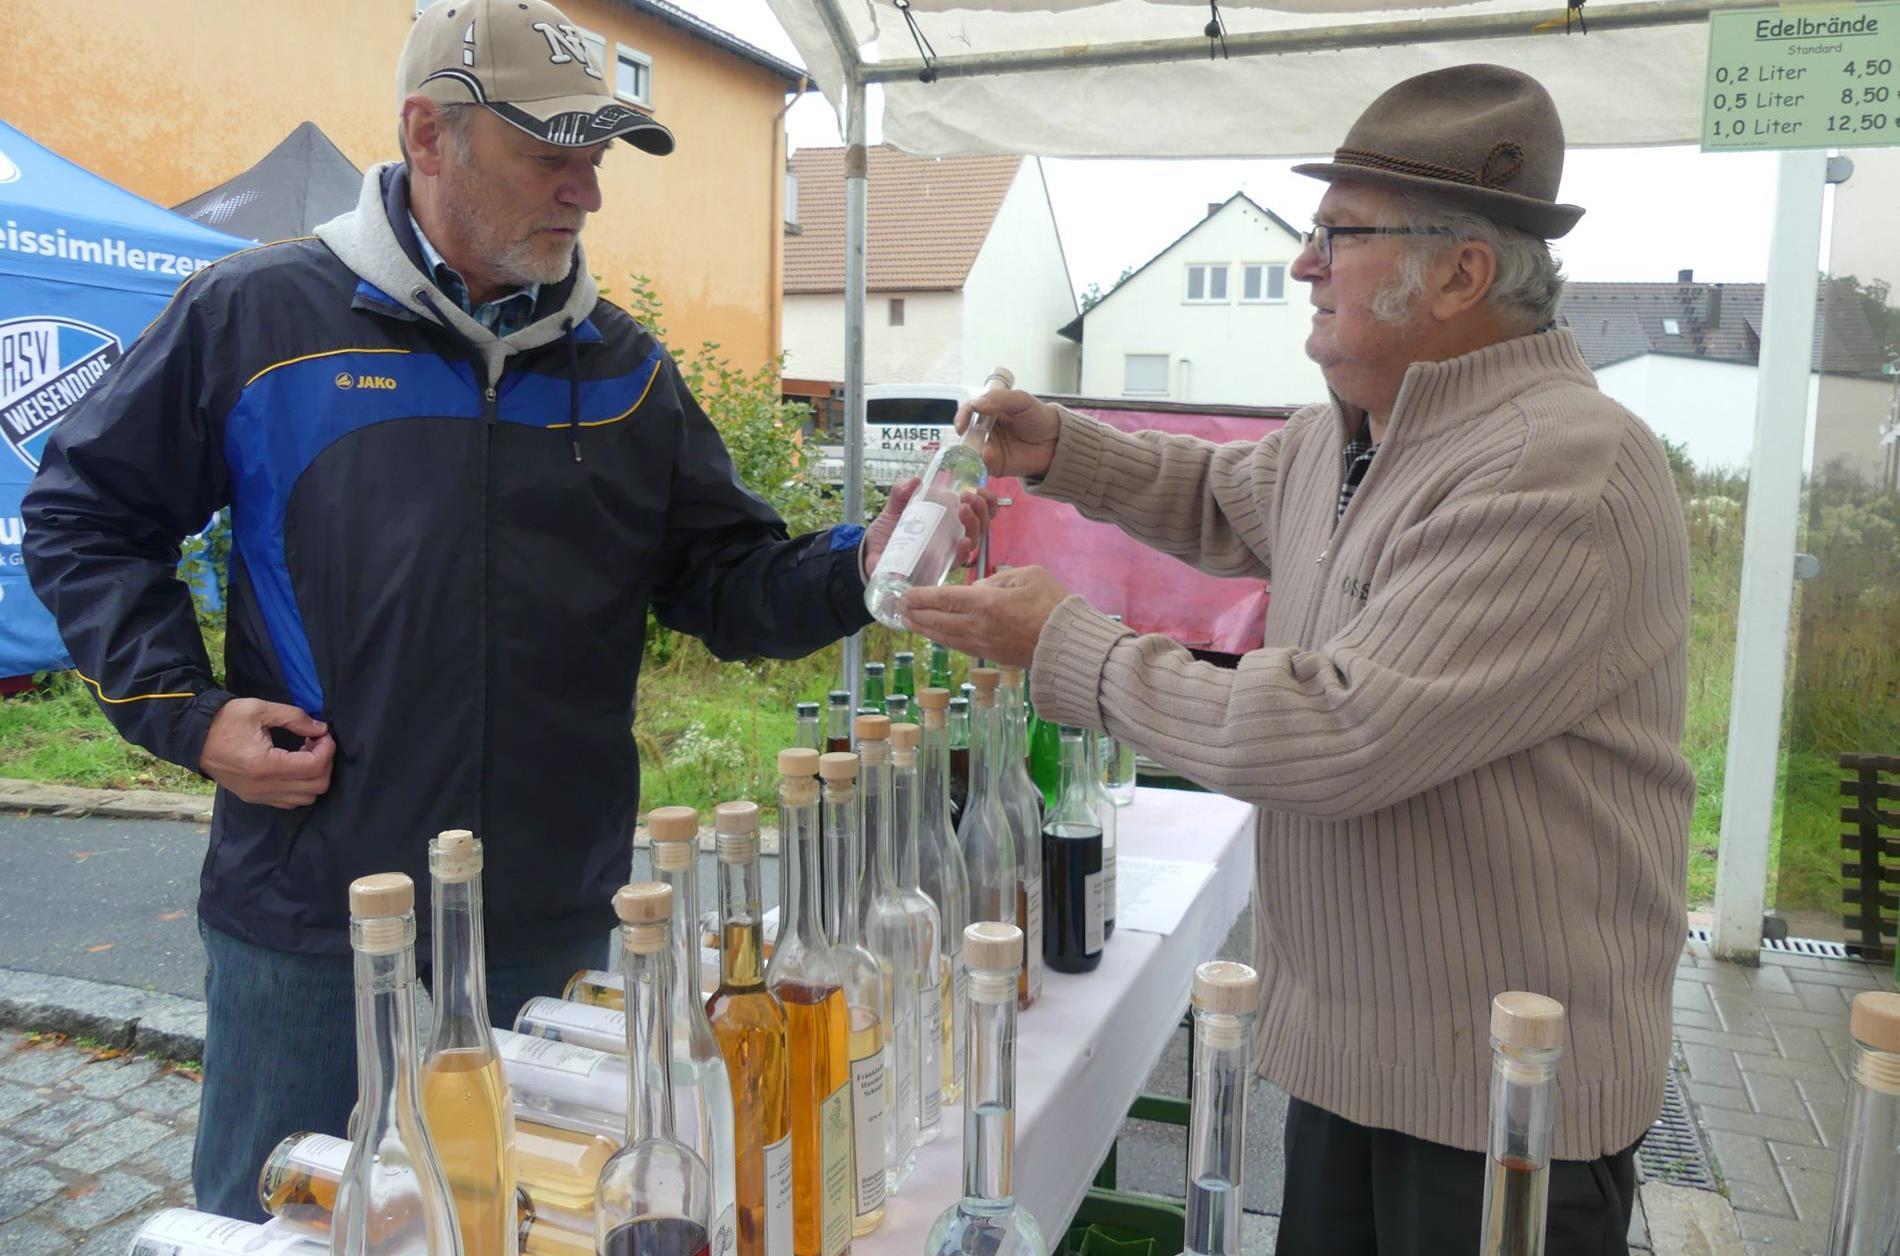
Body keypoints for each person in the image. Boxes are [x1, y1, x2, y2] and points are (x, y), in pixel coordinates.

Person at [21, 0, 984, 1221]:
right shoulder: (255, 321)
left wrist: (866, 561)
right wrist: (187, 715)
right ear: (429, 136)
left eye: (597, 158)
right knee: (289, 1228)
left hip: (549, 919)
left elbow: (727, 584)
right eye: (551, 154)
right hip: (318, 917)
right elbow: (83, 514)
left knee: (530, 1226)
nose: (586, 192)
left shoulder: (625, 370)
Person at [903, 65, 1691, 1255]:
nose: (1302, 265)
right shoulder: (1363, 431)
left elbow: (1338, 731)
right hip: (1354, 1060)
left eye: (1338, 235)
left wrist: (1063, 644)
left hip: (1501, 1103)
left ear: (1462, 274)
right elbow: (1220, 490)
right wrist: (1056, 444)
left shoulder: (1559, 465)